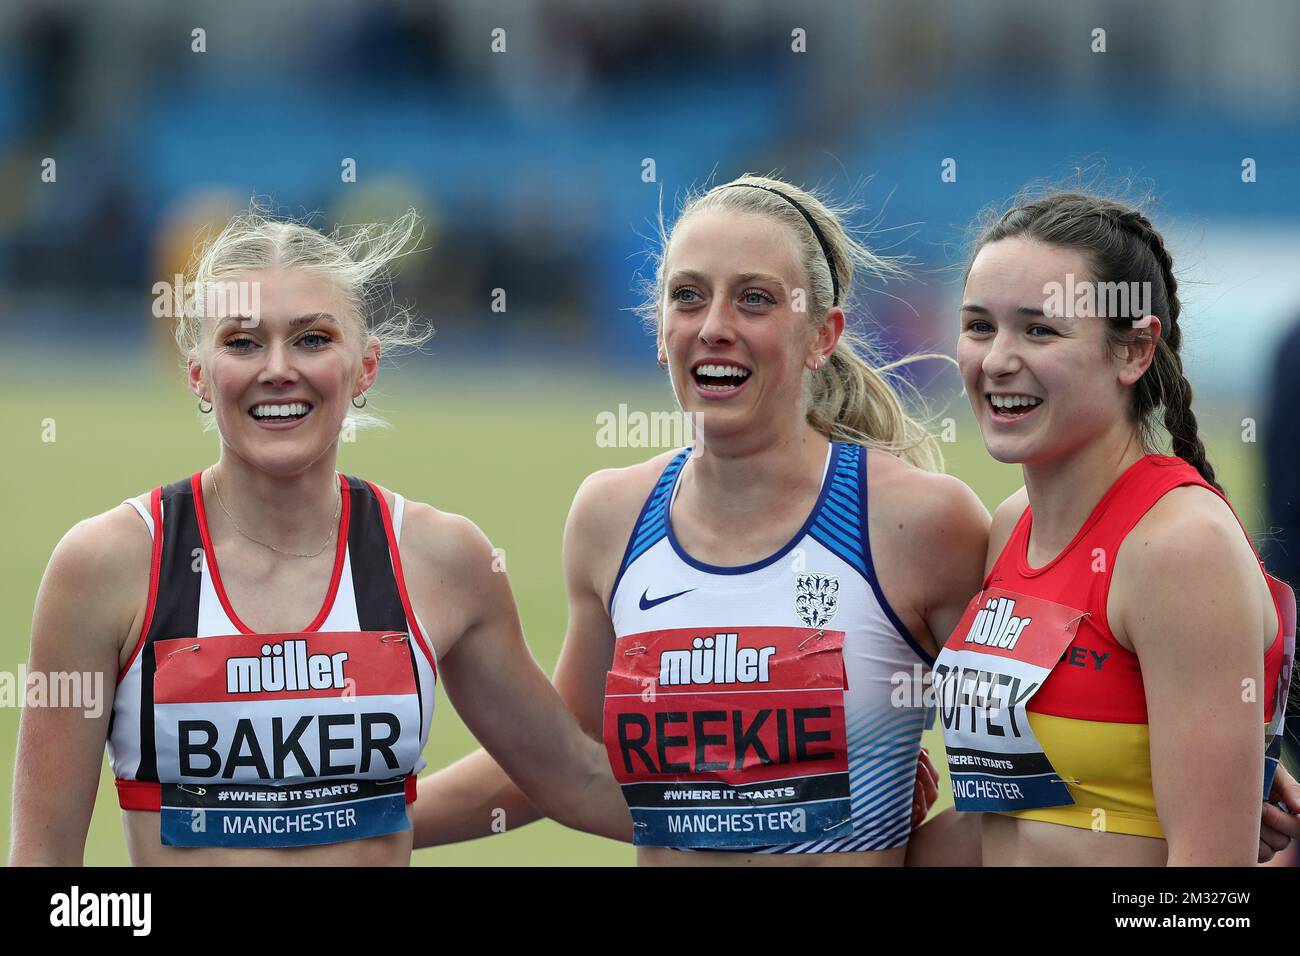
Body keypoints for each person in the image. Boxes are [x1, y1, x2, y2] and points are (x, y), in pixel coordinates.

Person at [8, 208, 631, 865]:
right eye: (243, 342)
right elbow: (45, 864)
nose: (278, 369)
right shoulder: (106, 565)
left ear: (364, 368)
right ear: (197, 373)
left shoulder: (444, 558)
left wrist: (745, 827)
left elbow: (570, 777)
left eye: (311, 339)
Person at [415, 174, 986, 864]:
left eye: (754, 300)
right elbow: (554, 766)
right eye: (688, 297)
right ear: (661, 331)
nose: (715, 327)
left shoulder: (920, 521)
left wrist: (886, 838)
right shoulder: (612, 515)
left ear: (821, 336)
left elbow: (1030, 792)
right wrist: (352, 830)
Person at [922, 190, 1297, 866]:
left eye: (1039, 330)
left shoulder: (1179, 548)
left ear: (1132, 351)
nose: (998, 359)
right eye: (980, 326)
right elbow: (1014, 824)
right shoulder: (1010, 526)